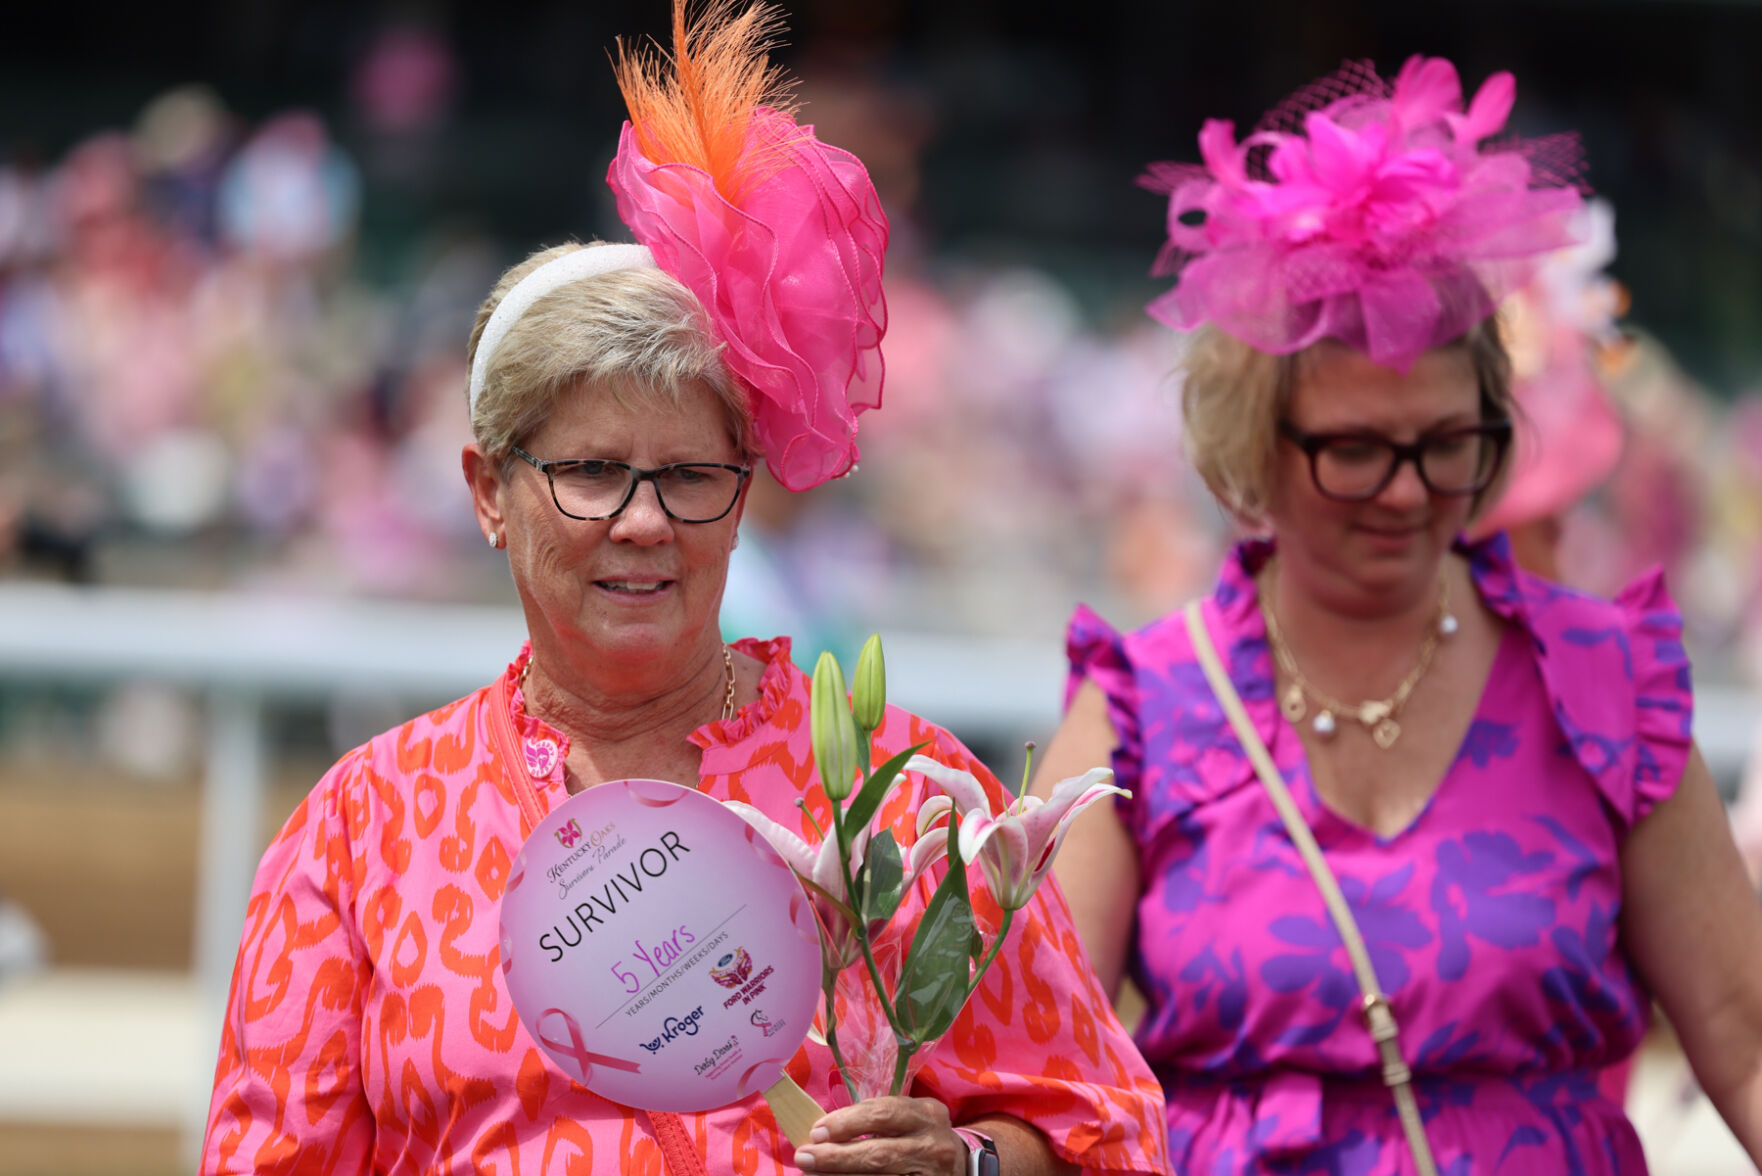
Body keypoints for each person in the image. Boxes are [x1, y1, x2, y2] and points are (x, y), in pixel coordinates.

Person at [200, 6, 1169, 1176]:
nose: (644, 520)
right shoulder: (363, 830)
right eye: (592, 473)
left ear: (746, 486)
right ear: (487, 491)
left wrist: (965, 1166)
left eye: (690, 475)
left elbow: (1107, 1133)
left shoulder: (905, 805)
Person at [1032, 55, 1762, 1172]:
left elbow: (1745, 1042)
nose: (1410, 492)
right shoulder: (1141, 706)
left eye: (1445, 445)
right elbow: (1032, 1075)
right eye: (1356, 452)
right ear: (1254, 449)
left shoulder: (1601, 680)